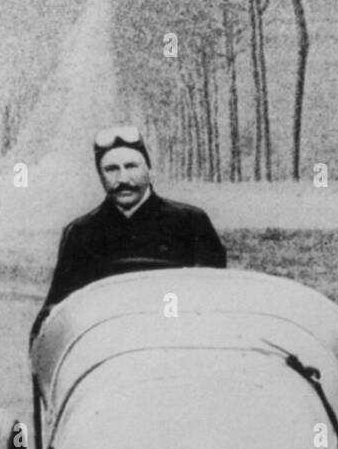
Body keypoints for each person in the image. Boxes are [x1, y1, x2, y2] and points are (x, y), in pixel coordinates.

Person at [31, 125, 226, 339]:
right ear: (100, 175)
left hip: (176, 343)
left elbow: (213, 300)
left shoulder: (190, 222)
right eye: (111, 169)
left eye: (131, 166)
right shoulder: (81, 233)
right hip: (106, 349)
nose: (123, 179)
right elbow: (57, 310)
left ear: (149, 169)